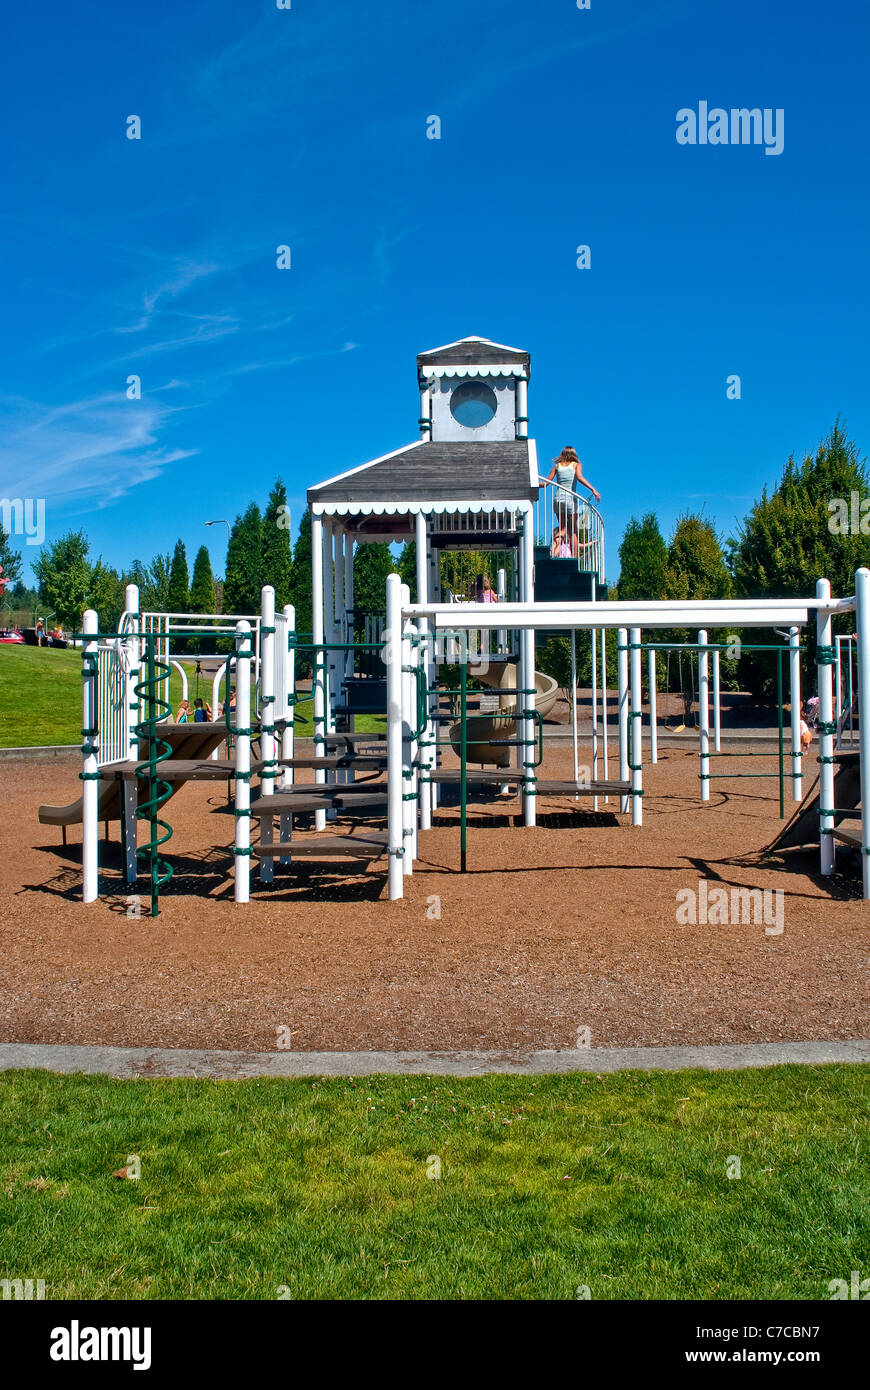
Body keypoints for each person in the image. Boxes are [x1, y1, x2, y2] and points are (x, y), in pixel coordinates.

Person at [546, 446, 601, 554]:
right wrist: (593, 490)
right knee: (573, 531)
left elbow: (546, 483)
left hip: (557, 499)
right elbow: (580, 477)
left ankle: (553, 550)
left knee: (562, 528)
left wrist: (535, 484)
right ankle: (574, 557)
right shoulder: (576, 465)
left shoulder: (557, 466)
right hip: (569, 499)